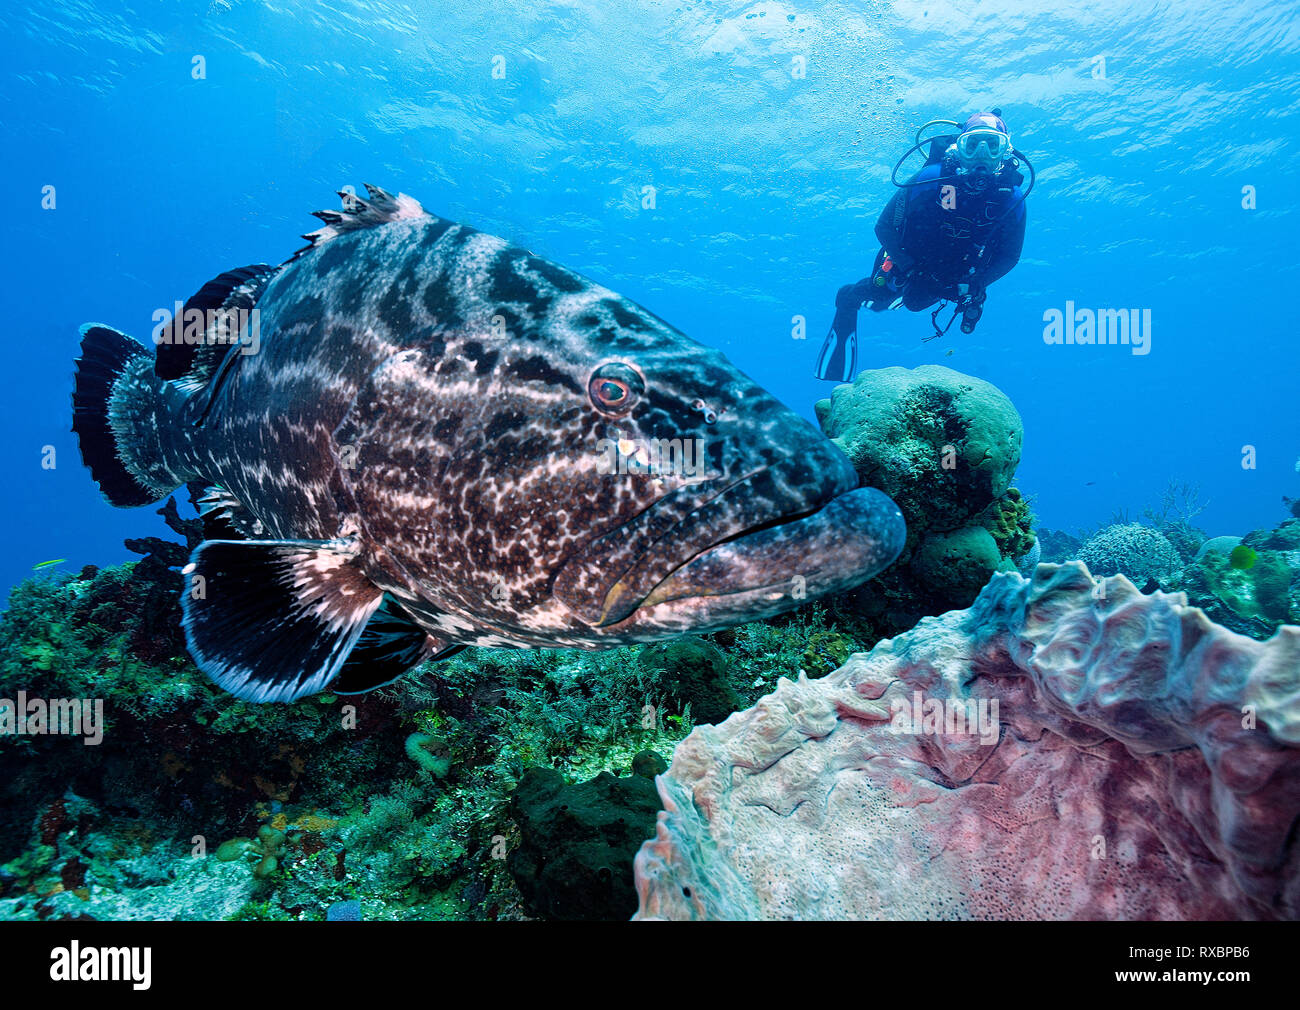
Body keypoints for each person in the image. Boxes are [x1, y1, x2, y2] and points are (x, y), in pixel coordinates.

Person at [815, 110, 1031, 382]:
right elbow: (883, 227)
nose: (982, 155)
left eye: (992, 146)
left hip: (953, 276)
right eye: (973, 145)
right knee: (884, 294)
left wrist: (977, 283)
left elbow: (1010, 256)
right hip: (907, 264)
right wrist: (909, 266)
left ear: (1006, 151)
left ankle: (900, 298)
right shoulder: (931, 179)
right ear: (959, 147)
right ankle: (850, 300)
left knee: (915, 303)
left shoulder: (1010, 199)